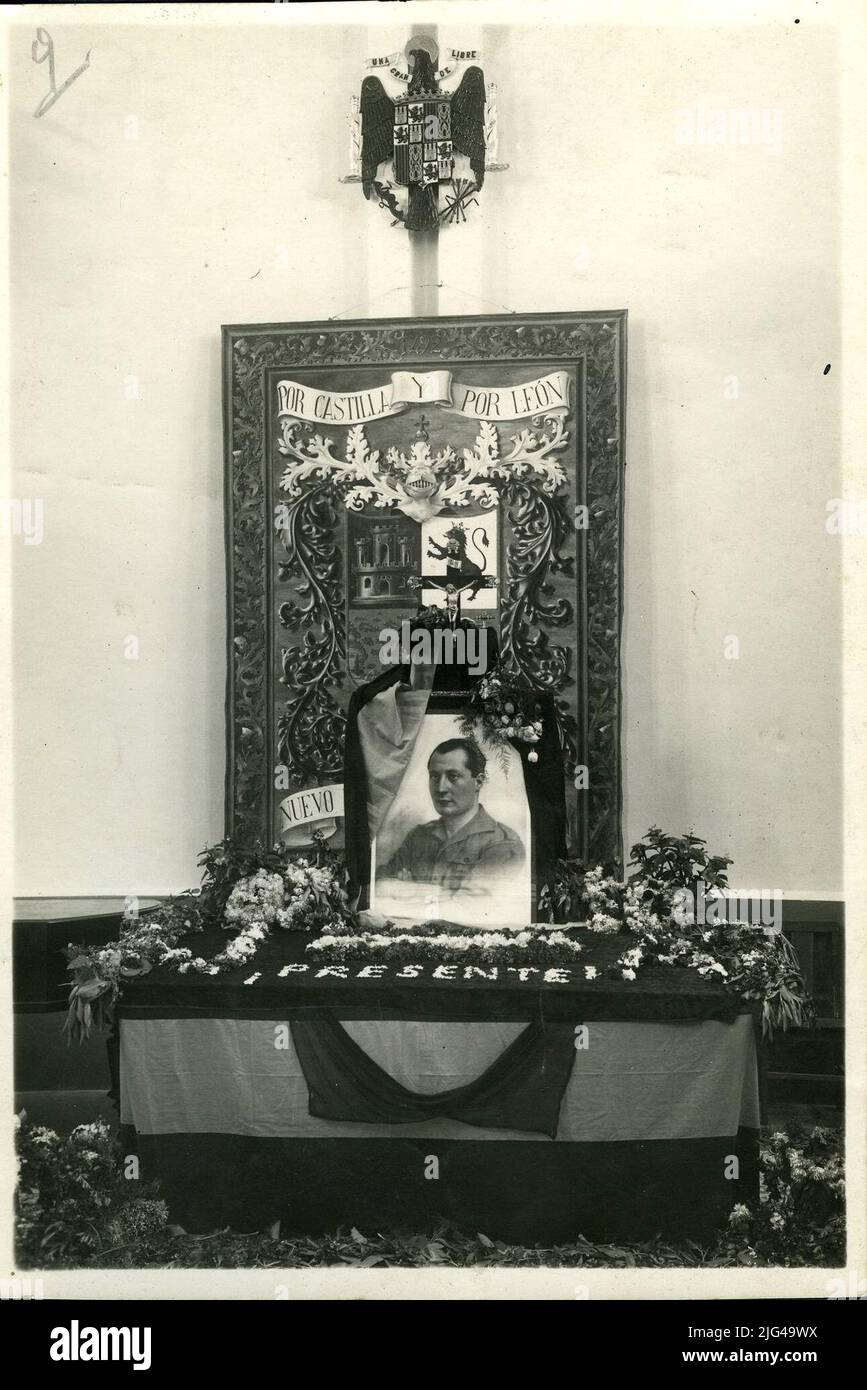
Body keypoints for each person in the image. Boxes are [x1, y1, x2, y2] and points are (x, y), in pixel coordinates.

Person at [379, 737, 524, 894]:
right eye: (435, 776)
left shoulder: (503, 843)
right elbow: (378, 888)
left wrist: (409, 890)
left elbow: (471, 907)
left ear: (479, 782)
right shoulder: (417, 837)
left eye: (453, 776)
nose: (441, 788)